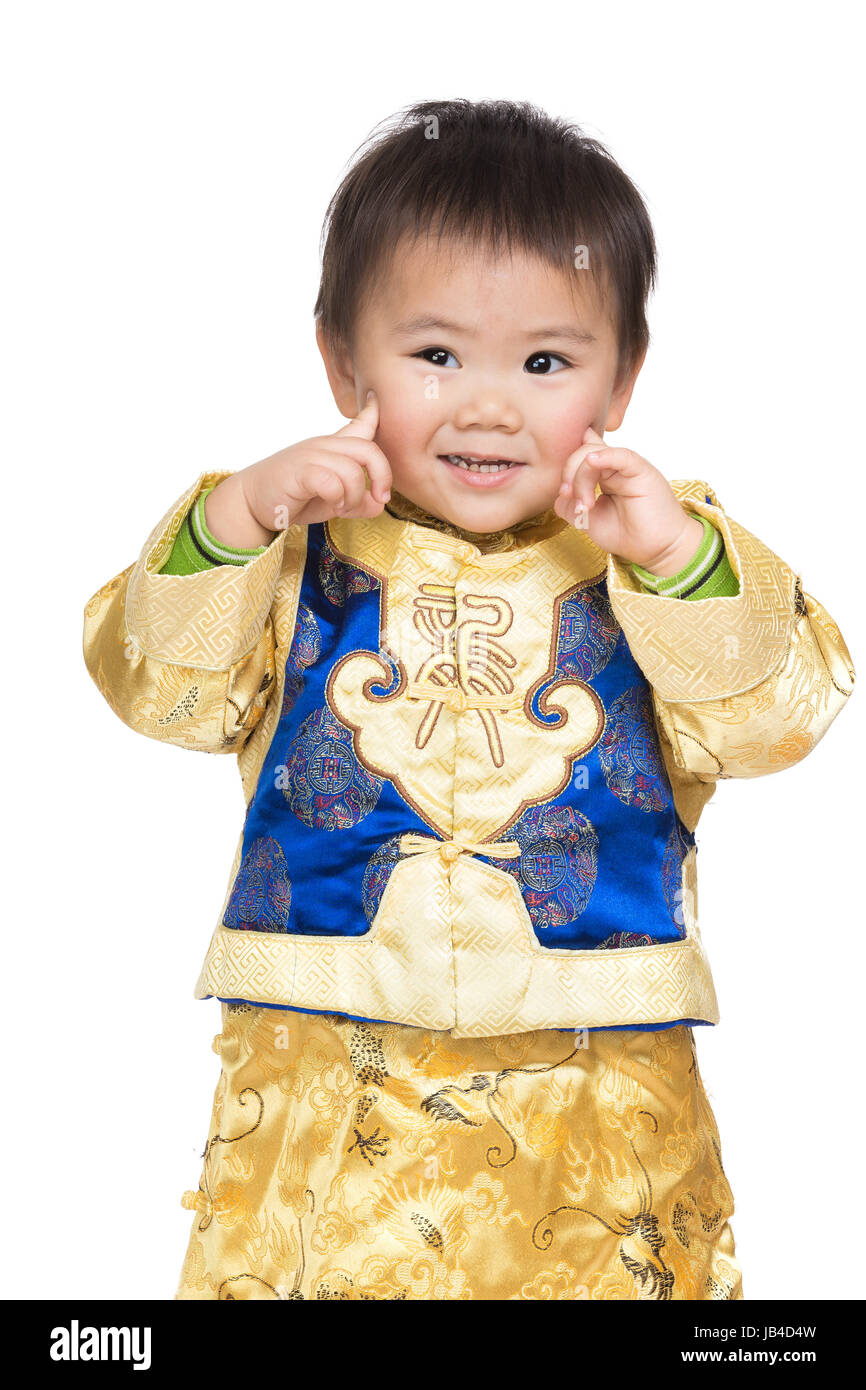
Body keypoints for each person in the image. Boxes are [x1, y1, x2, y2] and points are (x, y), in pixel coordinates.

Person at [82, 99, 855, 1301]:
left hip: (597, 1096)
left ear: (621, 377)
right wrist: (233, 519)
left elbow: (774, 719)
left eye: (545, 362)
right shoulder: (293, 553)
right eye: (433, 356)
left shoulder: (649, 553)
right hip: (325, 1083)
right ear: (342, 362)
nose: (487, 405)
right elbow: (163, 693)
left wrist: (676, 562)